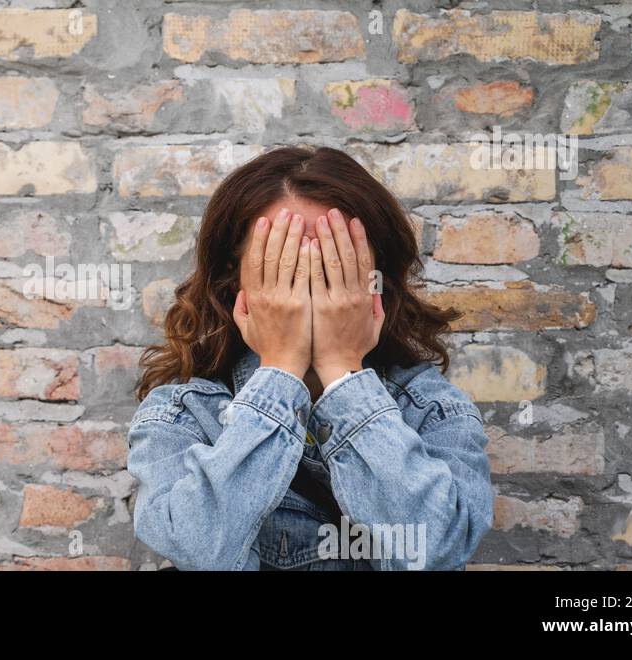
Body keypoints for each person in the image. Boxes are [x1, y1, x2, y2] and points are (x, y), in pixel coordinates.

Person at [127, 145, 495, 571]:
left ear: (375, 280)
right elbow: (197, 549)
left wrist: (342, 370)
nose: (309, 283)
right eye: (281, 264)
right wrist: (281, 368)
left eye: (334, 261)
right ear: (233, 283)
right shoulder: (181, 416)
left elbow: (436, 551)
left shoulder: (430, 409)